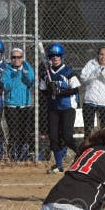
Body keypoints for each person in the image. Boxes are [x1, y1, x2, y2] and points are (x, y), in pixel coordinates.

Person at [40, 42, 80, 173]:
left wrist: (59, 92)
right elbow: (43, 90)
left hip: (67, 107)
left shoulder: (68, 71)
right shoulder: (46, 74)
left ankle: (83, 155)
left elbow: (75, 89)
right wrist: (50, 91)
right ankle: (58, 165)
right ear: (49, 57)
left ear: (61, 56)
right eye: (52, 55)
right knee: (53, 137)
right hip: (53, 108)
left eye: (58, 55)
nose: (55, 58)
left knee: (67, 136)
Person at [1, 47, 35, 161]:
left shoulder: (26, 67)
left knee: (24, 131)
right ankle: (13, 155)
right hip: (11, 105)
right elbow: (5, 86)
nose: (16, 59)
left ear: (22, 58)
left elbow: (31, 81)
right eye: (14, 57)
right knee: (14, 132)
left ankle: (24, 155)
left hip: (25, 104)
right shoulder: (7, 70)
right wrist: (14, 77)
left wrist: (23, 72)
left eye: (19, 57)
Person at [79, 46, 105, 138]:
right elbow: (83, 79)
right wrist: (95, 73)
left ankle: (103, 149)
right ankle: (87, 149)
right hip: (90, 101)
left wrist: (104, 74)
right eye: (101, 54)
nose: (103, 57)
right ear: (98, 55)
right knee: (88, 130)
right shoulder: (91, 64)